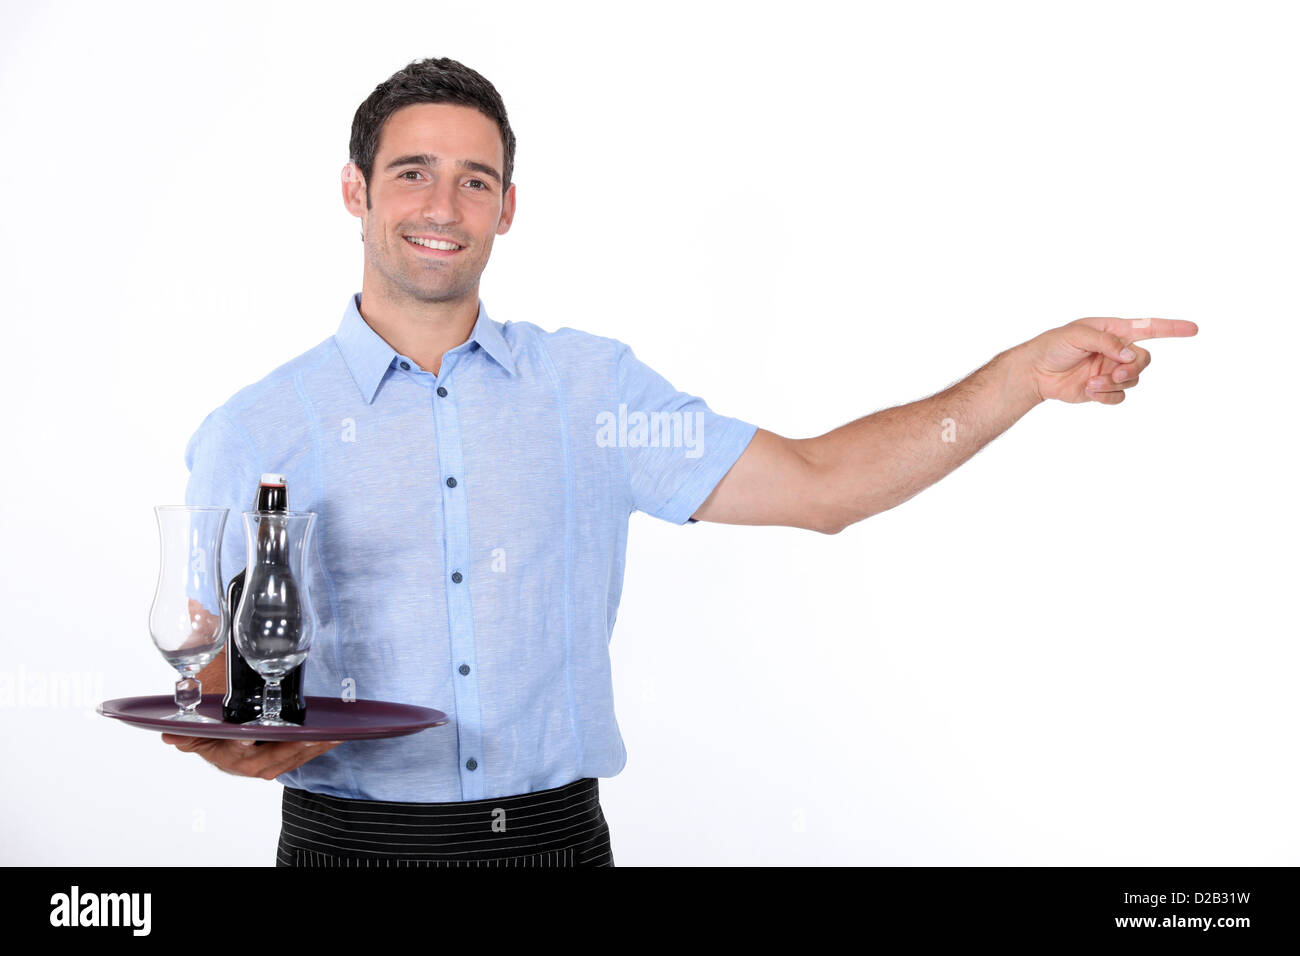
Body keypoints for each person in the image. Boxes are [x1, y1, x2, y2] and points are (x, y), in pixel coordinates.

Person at [163, 56, 1199, 868]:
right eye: (412, 173)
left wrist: (1015, 378)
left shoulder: (592, 395)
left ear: (508, 206)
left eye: (475, 180)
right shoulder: (258, 426)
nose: (443, 206)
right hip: (349, 848)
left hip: (551, 844)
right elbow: (210, 659)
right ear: (355, 190)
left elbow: (821, 485)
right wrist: (236, 727)